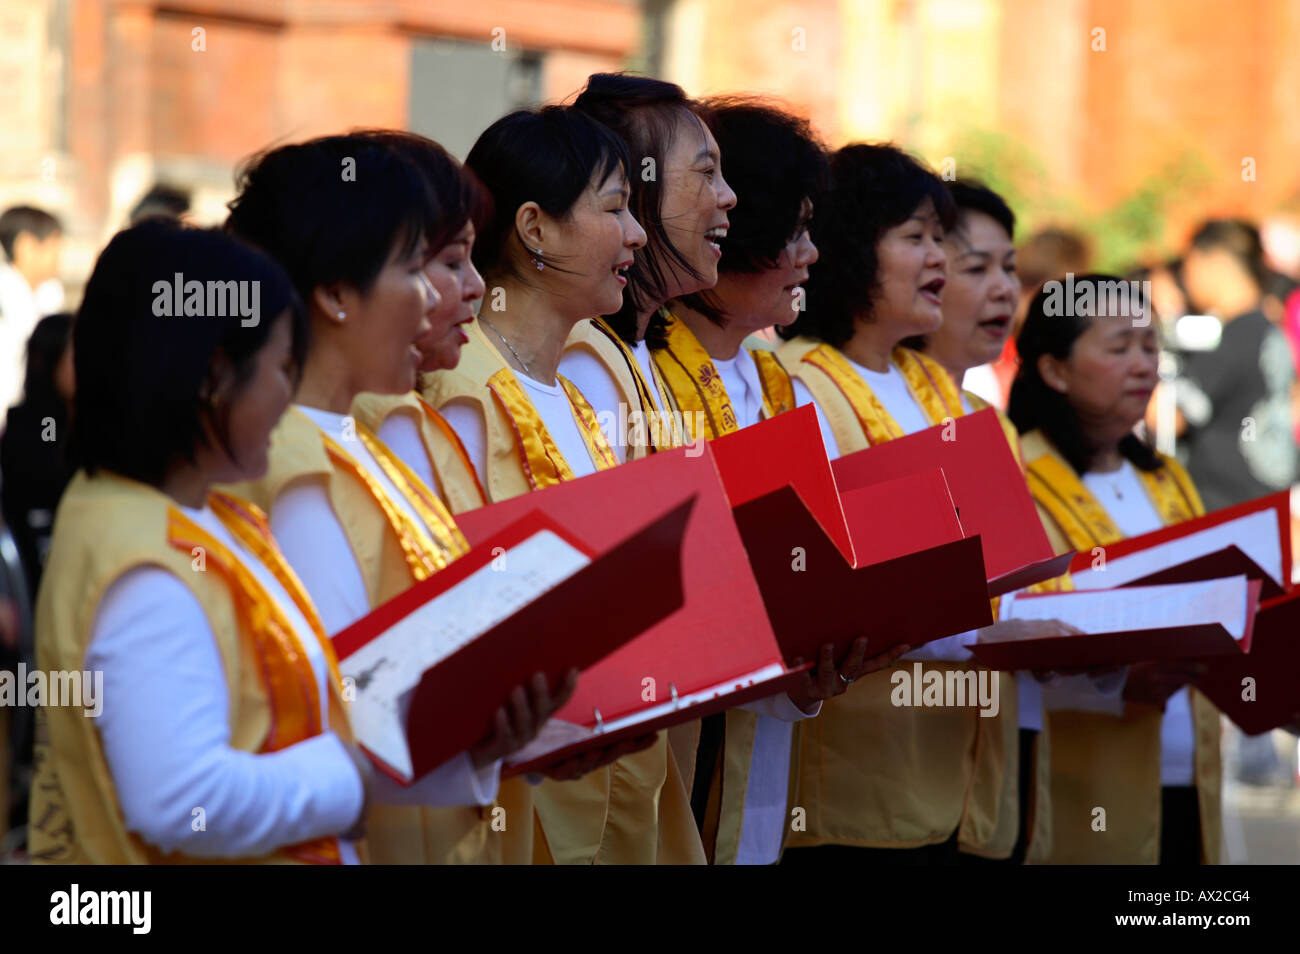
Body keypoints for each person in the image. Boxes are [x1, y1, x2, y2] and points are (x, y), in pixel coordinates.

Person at [29, 220, 566, 862]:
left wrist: (465, 744)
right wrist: (361, 771)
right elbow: (183, 801)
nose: (289, 396)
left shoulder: (195, 516)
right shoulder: (148, 560)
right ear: (214, 377)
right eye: (281, 369)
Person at [224, 134, 578, 864]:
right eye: (419, 267)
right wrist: (491, 726)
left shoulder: (363, 444)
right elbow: (339, 712)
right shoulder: (288, 466)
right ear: (334, 293)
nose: (447, 294)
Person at [775, 144, 1076, 864]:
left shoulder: (953, 400)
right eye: (916, 238)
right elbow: (810, 588)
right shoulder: (794, 387)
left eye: (942, 239)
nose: (938, 258)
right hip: (850, 792)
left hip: (961, 787)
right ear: (850, 246)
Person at [424, 105, 698, 865]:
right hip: (517, 797)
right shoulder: (460, 389)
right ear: (535, 228)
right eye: (615, 209)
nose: (638, 237)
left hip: (619, 774)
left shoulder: (583, 389)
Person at [650, 98, 908, 864]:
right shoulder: (635, 377)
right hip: (670, 746)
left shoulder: (782, 386)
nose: (809, 255)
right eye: (790, 232)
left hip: (764, 747)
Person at [1009, 274, 1222, 865]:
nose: (1142, 365)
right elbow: (1002, 642)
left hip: (1188, 778)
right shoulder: (1013, 477)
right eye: (1119, 346)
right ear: (1054, 369)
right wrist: (1113, 680)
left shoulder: (1166, 478)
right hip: (1076, 792)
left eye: (1150, 346)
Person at [559, 73, 738, 460]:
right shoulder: (581, 361)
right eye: (707, 173)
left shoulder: (642, 350)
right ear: (631, 191)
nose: (729, 196)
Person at [1173, 219, 1297, 511]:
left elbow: (1172, 416)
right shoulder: (1268, 328)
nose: (1185, 279)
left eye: (1189, 266)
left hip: (1227, 505)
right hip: (1267, 494)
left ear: (1213, 262)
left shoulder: (1234, 337)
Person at [1, 313, 76, 597]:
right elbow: (47, 469)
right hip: (39, 560)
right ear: (48, 360)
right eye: (73, 353)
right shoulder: (45, 421)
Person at [0, 206, 64, 415]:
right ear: (25, 246)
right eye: (53, 245)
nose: (59, 255)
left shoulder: (50, 294)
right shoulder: (5, 303)